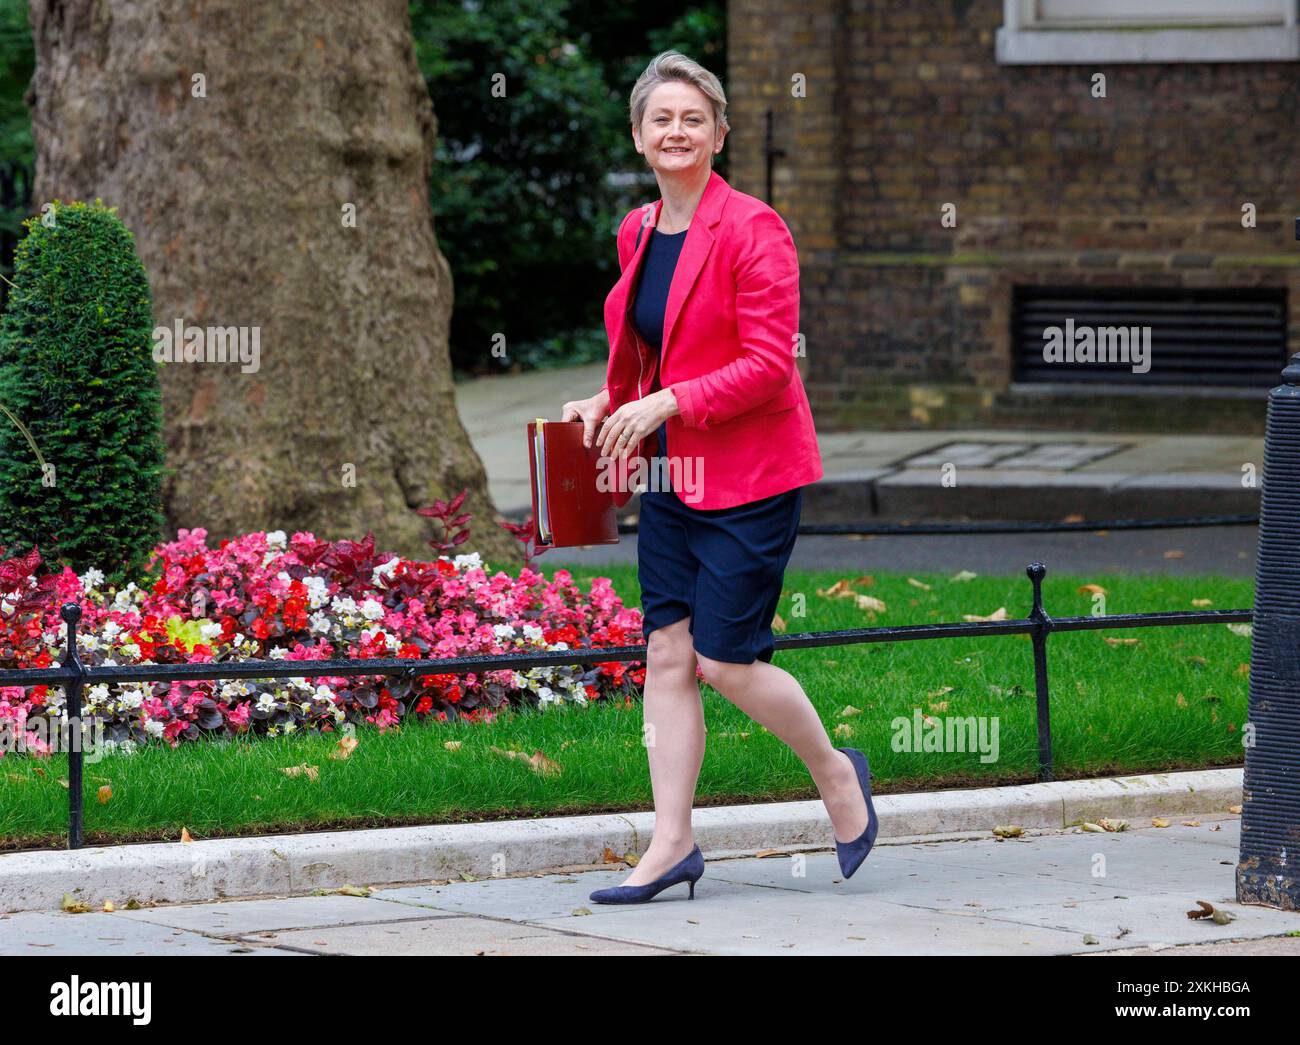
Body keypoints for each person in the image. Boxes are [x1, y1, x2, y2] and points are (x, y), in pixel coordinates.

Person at [560, 50, 878, 904]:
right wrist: (609, 399)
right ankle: (672, 843)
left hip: (752, 474)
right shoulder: (637, 230)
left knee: (725, 660)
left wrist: (664, 403)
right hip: (673, 474)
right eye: (660, 119)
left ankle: (837, 774)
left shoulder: (753, 228)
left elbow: (770, 365)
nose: (676, 131)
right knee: (666, 652)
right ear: (638, 134)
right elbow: (651, 353)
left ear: (719, 134)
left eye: (692, 119)